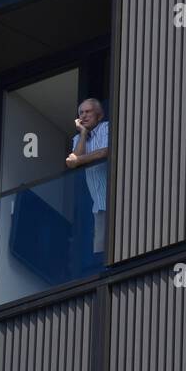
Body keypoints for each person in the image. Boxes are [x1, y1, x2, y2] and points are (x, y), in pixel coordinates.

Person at [65, 98, 109, 255]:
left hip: (116, 200)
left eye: (88, 112)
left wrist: (78, 160)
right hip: (98, 205)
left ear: (99, 115)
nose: (83, 116)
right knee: (100, 251)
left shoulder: (106, 128)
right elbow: (73, 162)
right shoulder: (78, 139)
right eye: (81, 113)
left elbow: (104, 151)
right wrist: (83, 133)